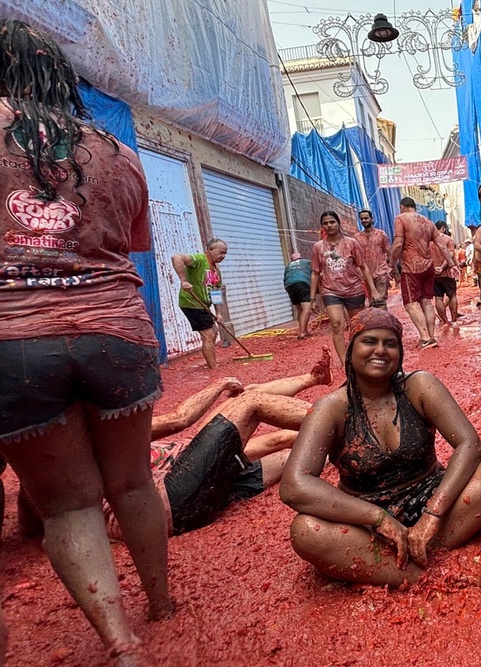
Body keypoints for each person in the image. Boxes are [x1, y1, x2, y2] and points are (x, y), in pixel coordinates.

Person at [0, 19, 170, 664]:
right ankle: (160, 602)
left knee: (70, 504)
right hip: (115, 330)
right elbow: (136, 245)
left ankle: (120, 642)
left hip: (15, 340)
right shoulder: (116, 152)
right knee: (133, 484)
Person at [281, 309, 481, 587]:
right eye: (369, 342)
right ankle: (430, 575)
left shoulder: (419, 386)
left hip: (431, 499)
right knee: (305, 531)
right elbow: (295, 485)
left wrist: (432, 513)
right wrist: (377, 518)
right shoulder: (331, 409)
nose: (380, 350)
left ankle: (408, 555)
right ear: (350, 351)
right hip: (365, 520)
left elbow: (470, 444)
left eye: (390, 343)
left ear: (400, 352)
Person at [14, 351, 334, 542]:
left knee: (292, 443)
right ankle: (348, 420)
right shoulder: (91, 435)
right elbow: (181, 417)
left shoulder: (58, 452)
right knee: (249, 401)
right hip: (174, 497)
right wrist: (220, 385)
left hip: (192, 483)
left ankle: (320, 395)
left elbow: (32, 524)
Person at [309, 210, 377, 367]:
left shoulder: (351, 243)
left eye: (332, 222)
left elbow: (364, 267)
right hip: (330, 291)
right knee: (336, 324)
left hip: (353, 289)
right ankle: (344, 360)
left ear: (338, 224)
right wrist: (312, 298)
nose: (329, 225)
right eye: (325, 223)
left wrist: (372, 290)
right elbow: (315, 273)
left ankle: (358, 354)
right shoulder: (318, 247)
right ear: (322, 227)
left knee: (357, 325)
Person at [388, 197, 456, 349]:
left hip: (411, 267)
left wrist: (391, 264)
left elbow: (398, 243)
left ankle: (425, 338)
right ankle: (431, 337)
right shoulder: (428, 221)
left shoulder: (401, 218)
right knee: (426, 301)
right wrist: (451, 264)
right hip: (429, 267)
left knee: (411, 303)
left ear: (402, 206)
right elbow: (441, 245)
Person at [172, 237, 228, 369]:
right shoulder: (199, 260)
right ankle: (213, 368)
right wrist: (183, 281)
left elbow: (216, 293)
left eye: (225, 253)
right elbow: (176, 258)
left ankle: (211, 363)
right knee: (209, 334)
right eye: (221, 252)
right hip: (191, 302)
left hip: (204, 305)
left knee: (213, 332)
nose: (223, 256)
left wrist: (219, 313)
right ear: (209, 250)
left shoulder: (216, 271)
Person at [355, 208, 392, 309]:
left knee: (380, 300)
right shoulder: (357, 237)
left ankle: (385, 323)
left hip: (381, 271)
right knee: (372, 301)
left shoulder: (381, 234)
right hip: (366, 274)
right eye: (361, 219)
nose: (364, 221)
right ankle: (378, 322)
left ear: (372, 219)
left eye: (366, 218)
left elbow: (389, 252)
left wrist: (394, 271)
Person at [431, 221, 461, 324]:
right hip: (448, 273)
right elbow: (451, 254)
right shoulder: (448, 239)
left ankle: (445, 321)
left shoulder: (428, 241)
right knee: (452, 295)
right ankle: (454, 319)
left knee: (438, 298)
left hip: (434, 275)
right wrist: (442, 267)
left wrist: (435, 268)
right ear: (443, 228)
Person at [283, 251, 313, 339]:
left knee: (300, 310)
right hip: (301, 283)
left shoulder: (288, 266)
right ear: (301, 257)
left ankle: (304, 330)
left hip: (289, 286)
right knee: (307, 309)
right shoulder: (307, 262)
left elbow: (284, 279)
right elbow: (315, 273)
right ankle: (301, 332)